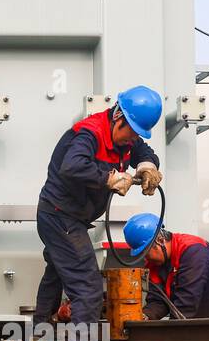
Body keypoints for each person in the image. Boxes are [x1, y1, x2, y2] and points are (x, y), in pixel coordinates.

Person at [33, 86, 164, 327]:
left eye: (138, 135)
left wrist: (147, 165)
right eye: (132, 132)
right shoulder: (89, 134)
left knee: (56, 274)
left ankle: (43, 337)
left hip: (67, 217)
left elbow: (143, 150)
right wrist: (109, 178)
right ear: (118, 117)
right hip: (59, 216)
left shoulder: (126, 138)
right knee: (88, 288)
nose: (134, 139)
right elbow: (72, 166)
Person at [122, 214, 209, 319]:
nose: (146, 258)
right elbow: (158, 301)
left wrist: (168, 335)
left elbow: (187, 303)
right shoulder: (154, 265)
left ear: (160, 240)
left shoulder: (193, 251)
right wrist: (144, 317)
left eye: (146, 252)